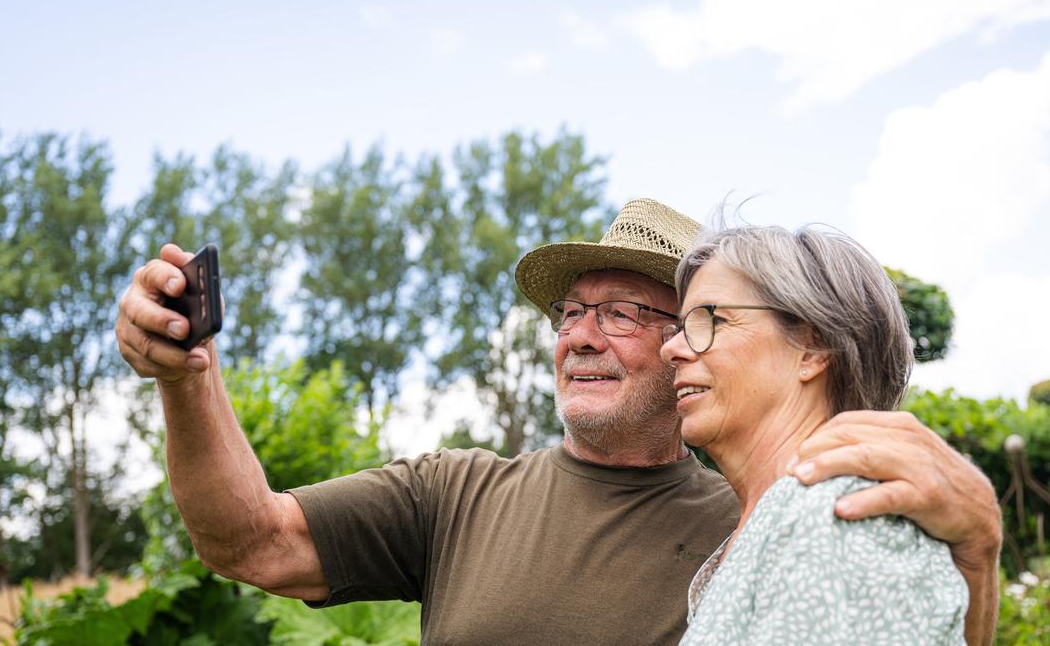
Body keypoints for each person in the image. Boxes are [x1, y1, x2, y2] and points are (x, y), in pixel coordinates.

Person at [115, 198, 1001, 646]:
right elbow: (249, 542)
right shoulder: (457, 494)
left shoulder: (766, 522)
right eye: (569, 313)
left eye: (624, 313)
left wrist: (978, 557)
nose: (579, 334)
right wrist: (186, 378)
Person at [661, 223, 966, 644]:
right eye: (679, 327)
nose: (671, 349)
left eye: (710, 319)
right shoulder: (780, 519)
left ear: (812, 348)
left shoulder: (835, 519)